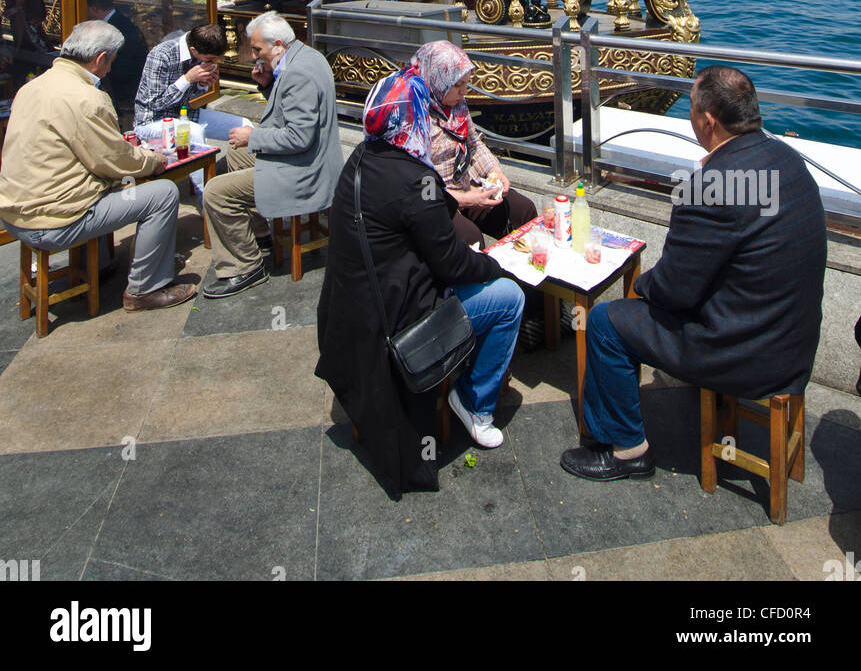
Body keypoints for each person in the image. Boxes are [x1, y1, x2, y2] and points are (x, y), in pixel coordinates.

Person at [560, 66, 828, 482]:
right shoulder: (789, 160)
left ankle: (627, 449)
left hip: (744, 355)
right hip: (795, 344)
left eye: (691, 107)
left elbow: (673, 290)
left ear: (708, 121)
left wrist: (641, 286)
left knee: (605, 321)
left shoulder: (711, 186)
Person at [316, 66, 525, 498]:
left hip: (352, 311)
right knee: (509, 298)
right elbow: (454, 266)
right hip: (399, 318)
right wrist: (499, 265)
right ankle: (473, 403)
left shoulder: (361, 160)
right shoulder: (417, 180)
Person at [0, 21, 196, 311]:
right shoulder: (86, 97)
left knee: (105, 185)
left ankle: (100, 266)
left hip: (13, 213)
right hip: (52, 221)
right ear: (101, 58)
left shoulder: (32, 86)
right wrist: (153, 160)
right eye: (110, 62)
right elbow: (114, 160)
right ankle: (145, 288)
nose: (109, 70)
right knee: (163, 194)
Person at [201, 11, 343, 297]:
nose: (254, 56)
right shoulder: (305, 56)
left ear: (277, 44)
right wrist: (267, 85)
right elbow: (290, 111)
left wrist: (254, 136)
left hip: (306, 170)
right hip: (313, 158)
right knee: (235, 156)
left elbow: (299, 137)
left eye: (257, 49)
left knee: (215, 191)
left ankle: (244, 266)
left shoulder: (297, 73)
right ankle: (262, 234)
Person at [411, 42, 536, 247]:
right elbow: (418, 182)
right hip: (437, 197)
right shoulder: (414, 117)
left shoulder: (457, 105)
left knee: (523, 210)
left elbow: (473, 143)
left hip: (468, 183)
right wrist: (464, 199)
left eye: (466, 84)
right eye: (457, 85)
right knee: (471, 238)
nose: (464, 92)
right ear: (437, 81)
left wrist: (494, 171)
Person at [86, 0, 148, 125]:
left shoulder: (119, 28)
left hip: (127, 92)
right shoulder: (117, 20)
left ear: (94, 9)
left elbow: (124, 69)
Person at [9, 0, 57, 90]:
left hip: (33, 59)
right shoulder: (20, 17)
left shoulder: (31, 18)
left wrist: (52, 52)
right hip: (26, 62)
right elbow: (30, 41)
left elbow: (42, 38)